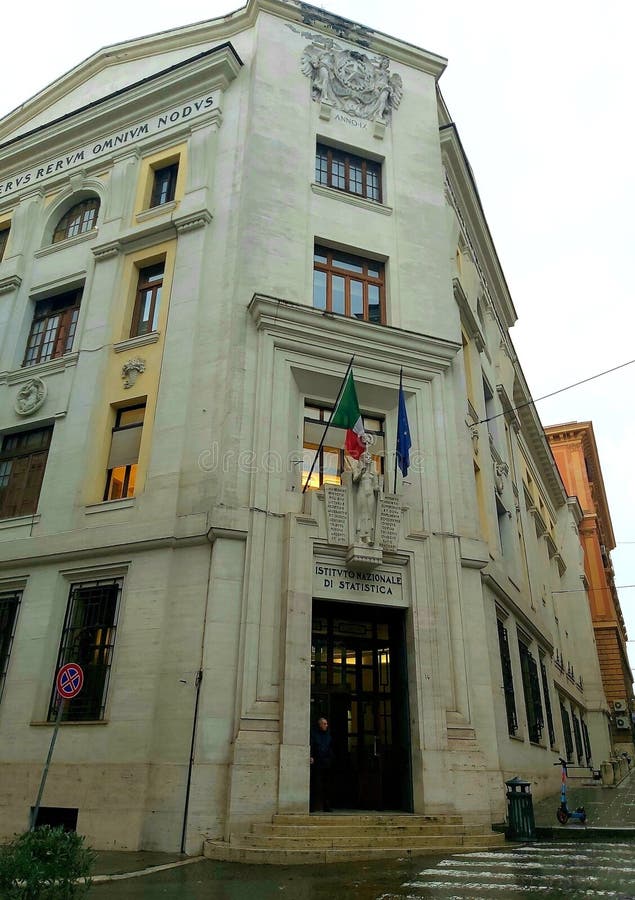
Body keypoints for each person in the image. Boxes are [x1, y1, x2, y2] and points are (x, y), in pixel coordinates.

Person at [310, 716, 334, 812]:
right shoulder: (314, 735)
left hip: (326, 763)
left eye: (326, 724)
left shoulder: (328, 736)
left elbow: (330, 748)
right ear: (319, 725)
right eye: (324, 724)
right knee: (316, 785)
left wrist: (330, 759)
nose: (326, 725)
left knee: (326, 786)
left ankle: (326, 806)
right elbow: (312, 745)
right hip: (317, 763)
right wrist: (311, 756)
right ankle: (312, 806)